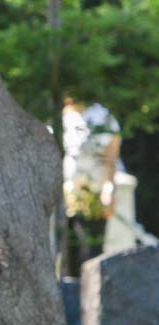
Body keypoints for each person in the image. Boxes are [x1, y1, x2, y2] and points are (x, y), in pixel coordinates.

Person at [62, 97, 122, 274]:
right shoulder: (62, 116)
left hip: (92, 198)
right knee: (66, 260)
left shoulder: (102, 117)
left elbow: (111, 159)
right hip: (63, 199)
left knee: (90, 256)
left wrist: (109, 190)